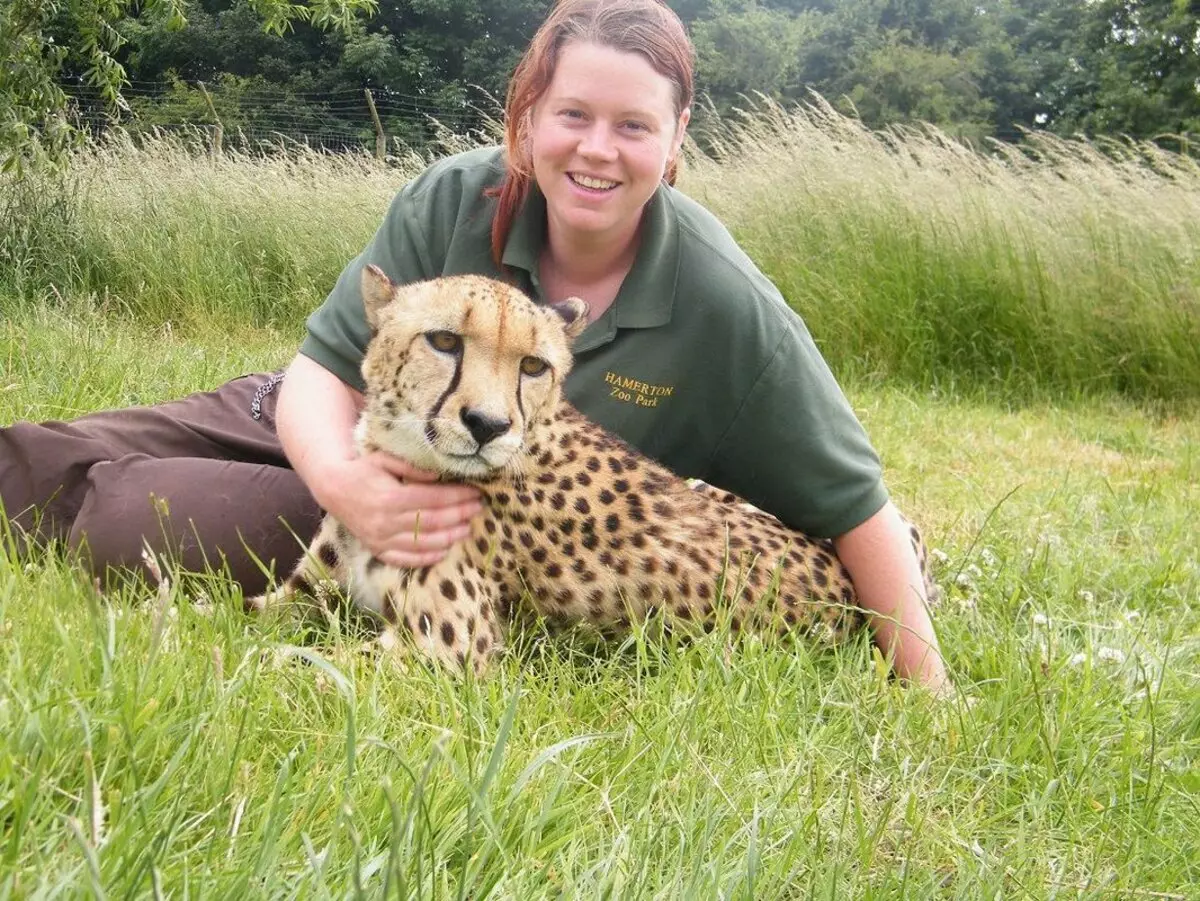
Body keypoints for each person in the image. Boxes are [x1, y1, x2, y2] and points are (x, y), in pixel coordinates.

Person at [0, 0, 948, 691]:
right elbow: (322, 372)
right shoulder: (454, 195)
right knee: (34, 455)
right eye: (573, 114)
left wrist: (930, 691)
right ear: (529, 113)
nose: (597, 149)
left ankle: (100, 498)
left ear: (676, 140)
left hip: (457, 497)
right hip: (342, 415)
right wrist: (341, 479)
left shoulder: (726, 302)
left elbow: (857, 502)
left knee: (145, 516)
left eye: (633, 126)